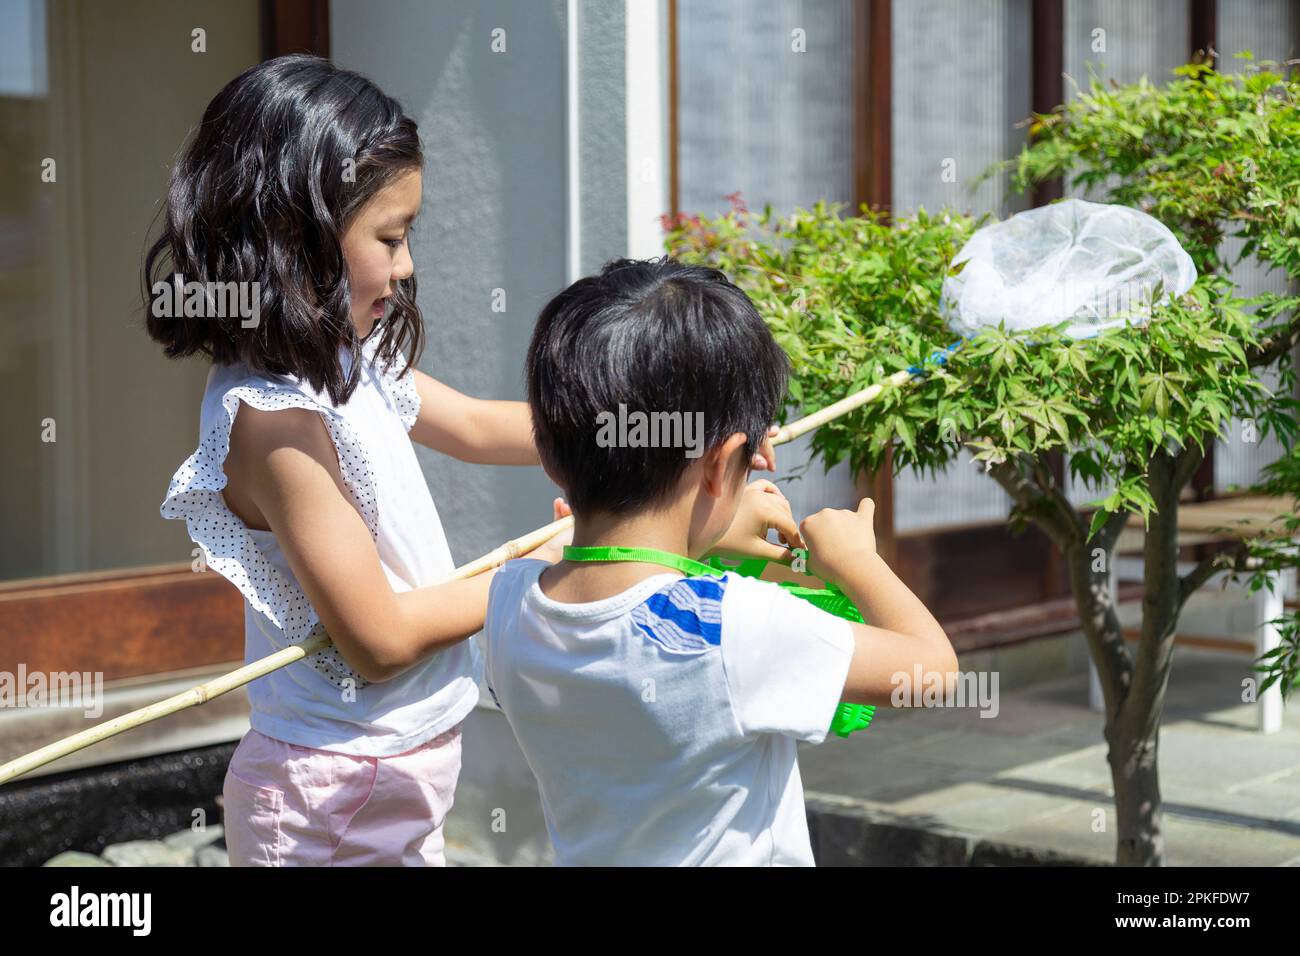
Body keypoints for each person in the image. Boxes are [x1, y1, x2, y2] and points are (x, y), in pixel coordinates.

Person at [146, 55, 569, 865]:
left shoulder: (351, 355)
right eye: (391, 237)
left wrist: (644, 438)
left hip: (398, 770)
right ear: (294, 237)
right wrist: (542, 566)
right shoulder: (273, 422)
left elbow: (479, 426)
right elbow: (375, 640)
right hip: (325, 799)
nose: (406, 265)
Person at [484, 257, 958, 865]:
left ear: (549, 453)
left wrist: (702, 528)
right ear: (720, 463)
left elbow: (614, 589)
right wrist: (857, 561)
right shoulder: (731, 626)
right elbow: (932, 672)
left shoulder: (507, 602)